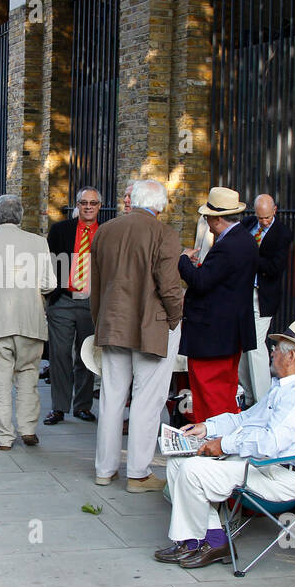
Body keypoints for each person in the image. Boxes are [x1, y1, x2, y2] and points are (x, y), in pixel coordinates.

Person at [154, 320, 295, 568]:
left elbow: (271, 443)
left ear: (291, 356)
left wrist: (224, 445)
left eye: (277, 348)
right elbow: (245, 418)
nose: (272, 351)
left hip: (282, 475)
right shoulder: (286, 387)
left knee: (192, 471)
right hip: (263, 465)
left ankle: (213, 543)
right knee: (178, 463)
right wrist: (208, 427)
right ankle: (196, 540)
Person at [89, 179, 185, 491]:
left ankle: (104, 469)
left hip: (113, 322)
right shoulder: (164, 234)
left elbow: (97, 285)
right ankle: (138, 473)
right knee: (147, 400)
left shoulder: (105, 231)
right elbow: (170, 286)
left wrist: (98, 322)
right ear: (160, 204)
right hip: (152, 326)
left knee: (111, 397)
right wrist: (176, 318)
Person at [0, 194, 57, 449]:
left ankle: (5, 436)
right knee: (28, 377)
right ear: (20, 215)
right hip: (30, 321)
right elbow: (50, 284)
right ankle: (28, 429)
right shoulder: (38, 242)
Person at [178, 187, 259, 422]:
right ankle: (222, 437)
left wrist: (183, 260)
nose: (207, 222)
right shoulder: (244, 239)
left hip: (212, 334)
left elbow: (200, 283)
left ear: (217, 219)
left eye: (207, 218)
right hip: (229, 332)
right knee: (223, 390)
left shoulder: (228, 245)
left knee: (209, 392)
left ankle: (213, 440)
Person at [43, 186, 101, 426]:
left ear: (99, 207)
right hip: (63, 300)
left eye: (93, 203)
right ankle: (59, 407)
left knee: (86, 356)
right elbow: (47, 263)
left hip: (92, 301)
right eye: (83, 202)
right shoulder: (60, 230)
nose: (88, 207)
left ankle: (82, 406)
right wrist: (50, 295)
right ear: (77, 205)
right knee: (59, 355)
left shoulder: (107, 232)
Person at [237, 194, 291, 408]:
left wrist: (248, 255)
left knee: (256, 345)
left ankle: (263, 400)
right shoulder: (249, 223)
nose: (264, 222)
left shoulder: (282, 233)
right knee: (242, 344)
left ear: (275, 210)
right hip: (243, 292)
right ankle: (248, 396)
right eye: (261, 218)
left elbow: (275, 267)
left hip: (263, 295)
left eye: (267, 217)